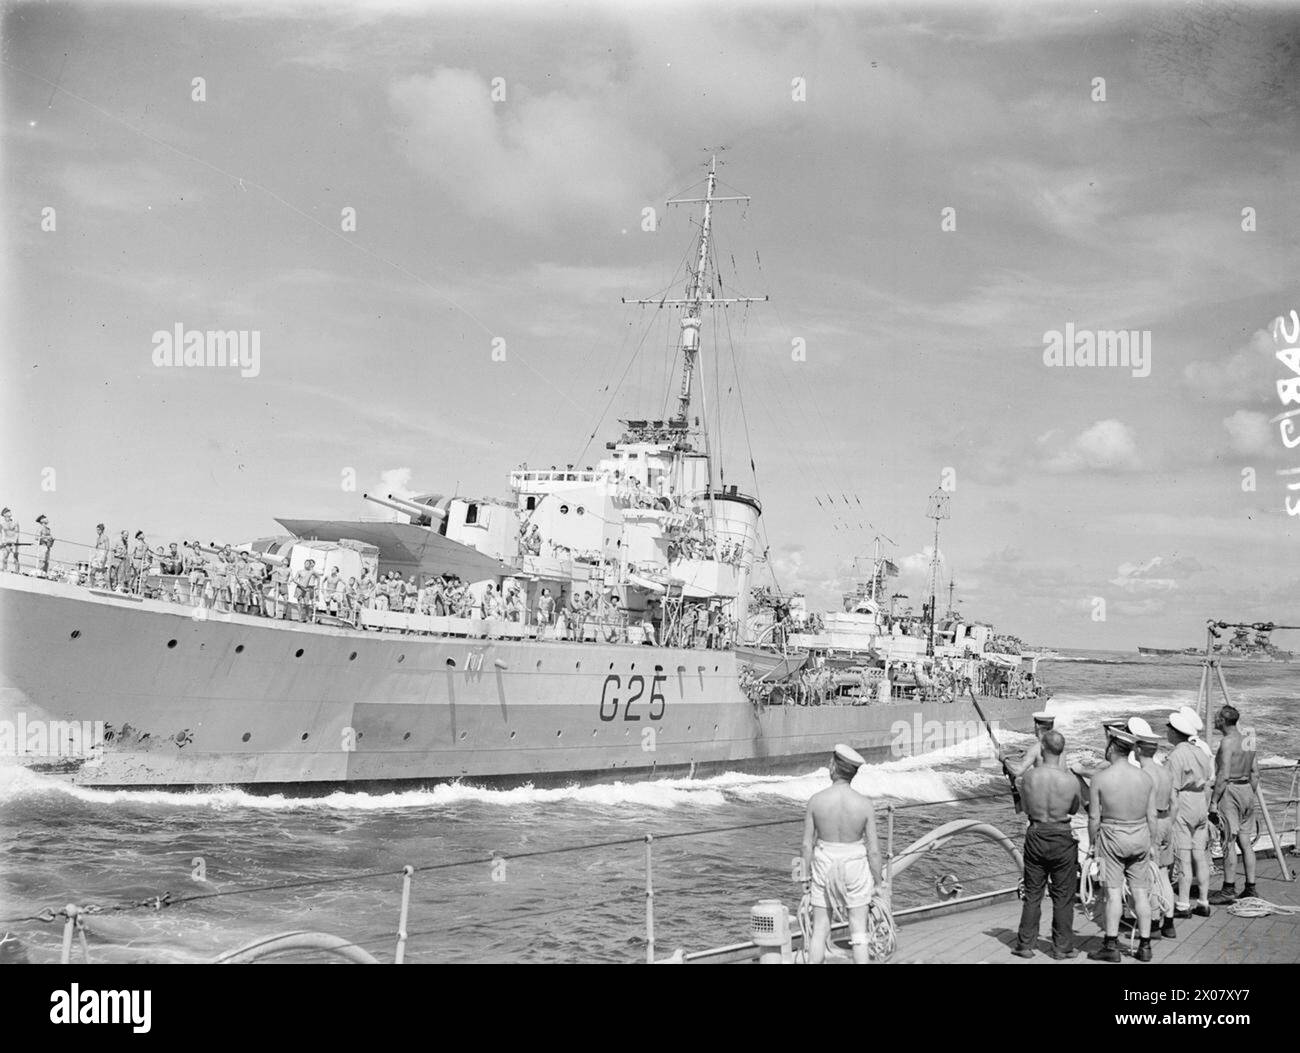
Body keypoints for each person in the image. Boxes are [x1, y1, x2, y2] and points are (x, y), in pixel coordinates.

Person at [800, 744, 883, 964]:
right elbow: (873, 851)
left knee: (819, 930)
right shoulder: (864, 804)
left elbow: (807, 845)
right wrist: (878, 882)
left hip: (824, 862)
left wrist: (803, 877)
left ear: (833, 767)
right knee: (858, 932)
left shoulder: (816, 801)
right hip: (855, 863)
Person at [1087, 728, 1157, 962]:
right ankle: (1145, 946)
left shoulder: (1100, 778)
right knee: (1141, 892)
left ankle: (1111, 945)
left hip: (1112, 837)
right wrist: (1152, 844)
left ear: (1112, 748)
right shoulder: (1145, 778)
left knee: (1113, 894)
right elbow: (1152, 816)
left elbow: (1094, 818)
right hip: (1140, 835)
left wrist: (1091, 845)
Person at [1011, 729, 1080, 959]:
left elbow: (1027, 808)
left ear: (1042, 749)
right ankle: (1062, 947)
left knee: (1032, 893)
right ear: (1061, 752)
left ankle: (1025, 945)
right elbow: (1073, 808)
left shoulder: (1030, 777)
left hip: (1037, 833)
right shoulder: (1070, 780)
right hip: (1062, 835)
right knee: (1063, 895)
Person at [1129, 717, 1177, 939]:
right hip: (1168, 820)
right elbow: (1174, 803)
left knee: (1150, 875)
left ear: (1138, 749)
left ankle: (1154, 923)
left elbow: (1140, 807)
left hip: (1153, 823)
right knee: (1165, 873)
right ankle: (1169, 921)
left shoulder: (1143, 774)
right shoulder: (1165, 771)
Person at [1208, 704, 1259, 905]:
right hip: (1247, 788)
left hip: (1230, 790)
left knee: (1228, 840)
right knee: (1245, 842)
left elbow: (1223, 775)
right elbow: (1255, 772)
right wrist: (1248, 793)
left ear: (1222, 720)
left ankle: (1228, 889)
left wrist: (1213, 802)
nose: (1213, 720)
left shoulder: (1227, 743)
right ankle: (1250, 887)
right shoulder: (1248, 739)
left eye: (1215, 717)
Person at [1167, 708, 1214, 919]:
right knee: (1200, 856)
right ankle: (1203, 902)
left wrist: (1170, 818)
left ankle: (1183, 904)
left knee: (1184, 858)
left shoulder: (1176, 755)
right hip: (1200, 802)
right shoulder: (1201, 752)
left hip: (1184, 803)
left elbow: (1172, 790)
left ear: (1175, 733)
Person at [1000, 712, 1055, 777]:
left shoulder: (1035, 749)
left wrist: (1003, 759)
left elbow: (1017, 772)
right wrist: (1028, 753)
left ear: (1037, 726)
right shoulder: (1059, 748)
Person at [0, 508, 19, 573]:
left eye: (9, 511)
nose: (9, 513)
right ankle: (4, 570)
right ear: (4, 514)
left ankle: (17, 571)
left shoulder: (15, 523)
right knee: (5, 557)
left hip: (14, 542)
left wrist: (15, 542)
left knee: (15, 558)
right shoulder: (2, 524)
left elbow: (17, 533)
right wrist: (2, 542)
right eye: (7, 511)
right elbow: (1, 534)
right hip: (6, 542)